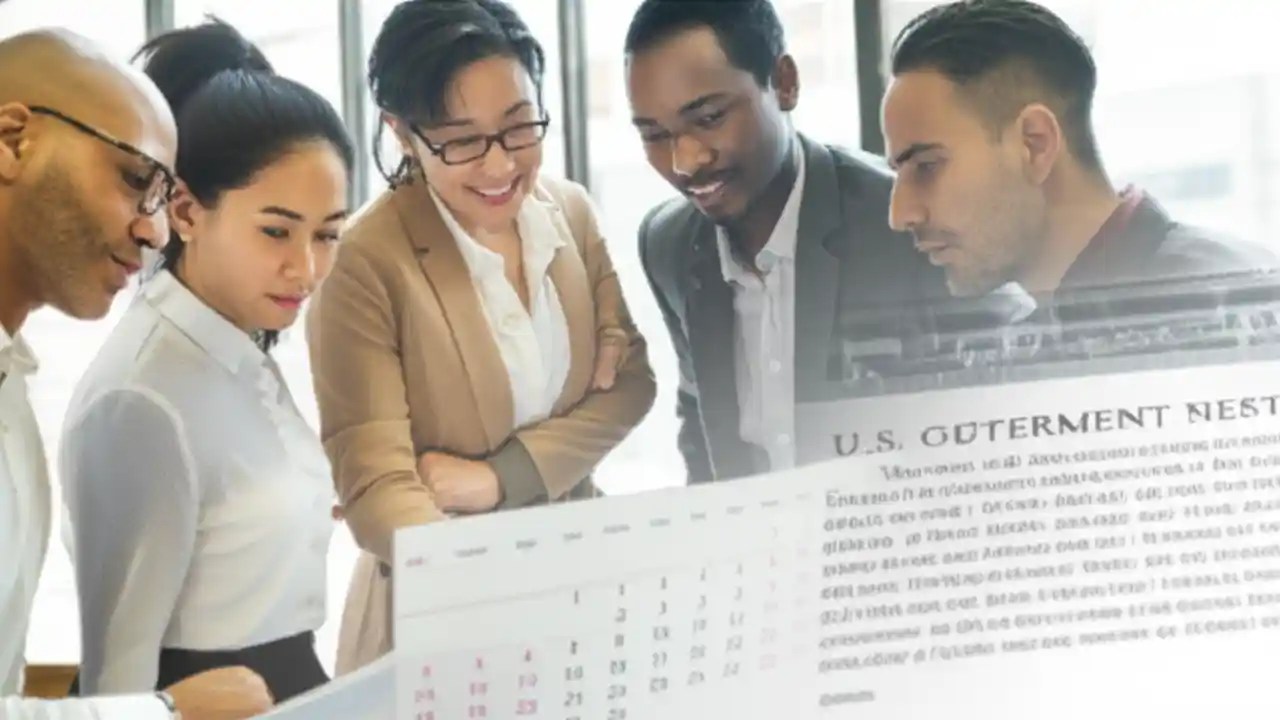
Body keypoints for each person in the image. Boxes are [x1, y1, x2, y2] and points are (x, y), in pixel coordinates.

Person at [307, 0, 655, 673]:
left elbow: (631, 384)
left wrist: (500, 479)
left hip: (581, 590)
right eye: (462, 140)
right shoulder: (365, 262)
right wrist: (487, 595)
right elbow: (379, 489)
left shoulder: (569, 211)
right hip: (443, 625)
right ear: (403, 133)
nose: (500, 166)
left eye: (519, 127)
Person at [58, 20, 353, 704]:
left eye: (329, 234)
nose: (305, 268)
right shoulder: (143, 397)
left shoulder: (236, 340)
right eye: (276, 230)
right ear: (185, 211)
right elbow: (117, 682)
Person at [0, 27, 272, 720]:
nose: (153, 231)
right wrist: (165, 714)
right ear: (11, 142)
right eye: (133, 181)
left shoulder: (13, 388)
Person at [628, 0, 951, 484]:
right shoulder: (667, 243)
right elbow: (699, 416)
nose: (684, 161)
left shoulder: (904, 223)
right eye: (654, 134)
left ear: (784, 83)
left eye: (710, 117)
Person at [882, 0, 1277, 320]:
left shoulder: (1238, 308)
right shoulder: (1019, 345)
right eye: (898, 173)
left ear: (1034, 144)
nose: (900, 215)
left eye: (927, 166)